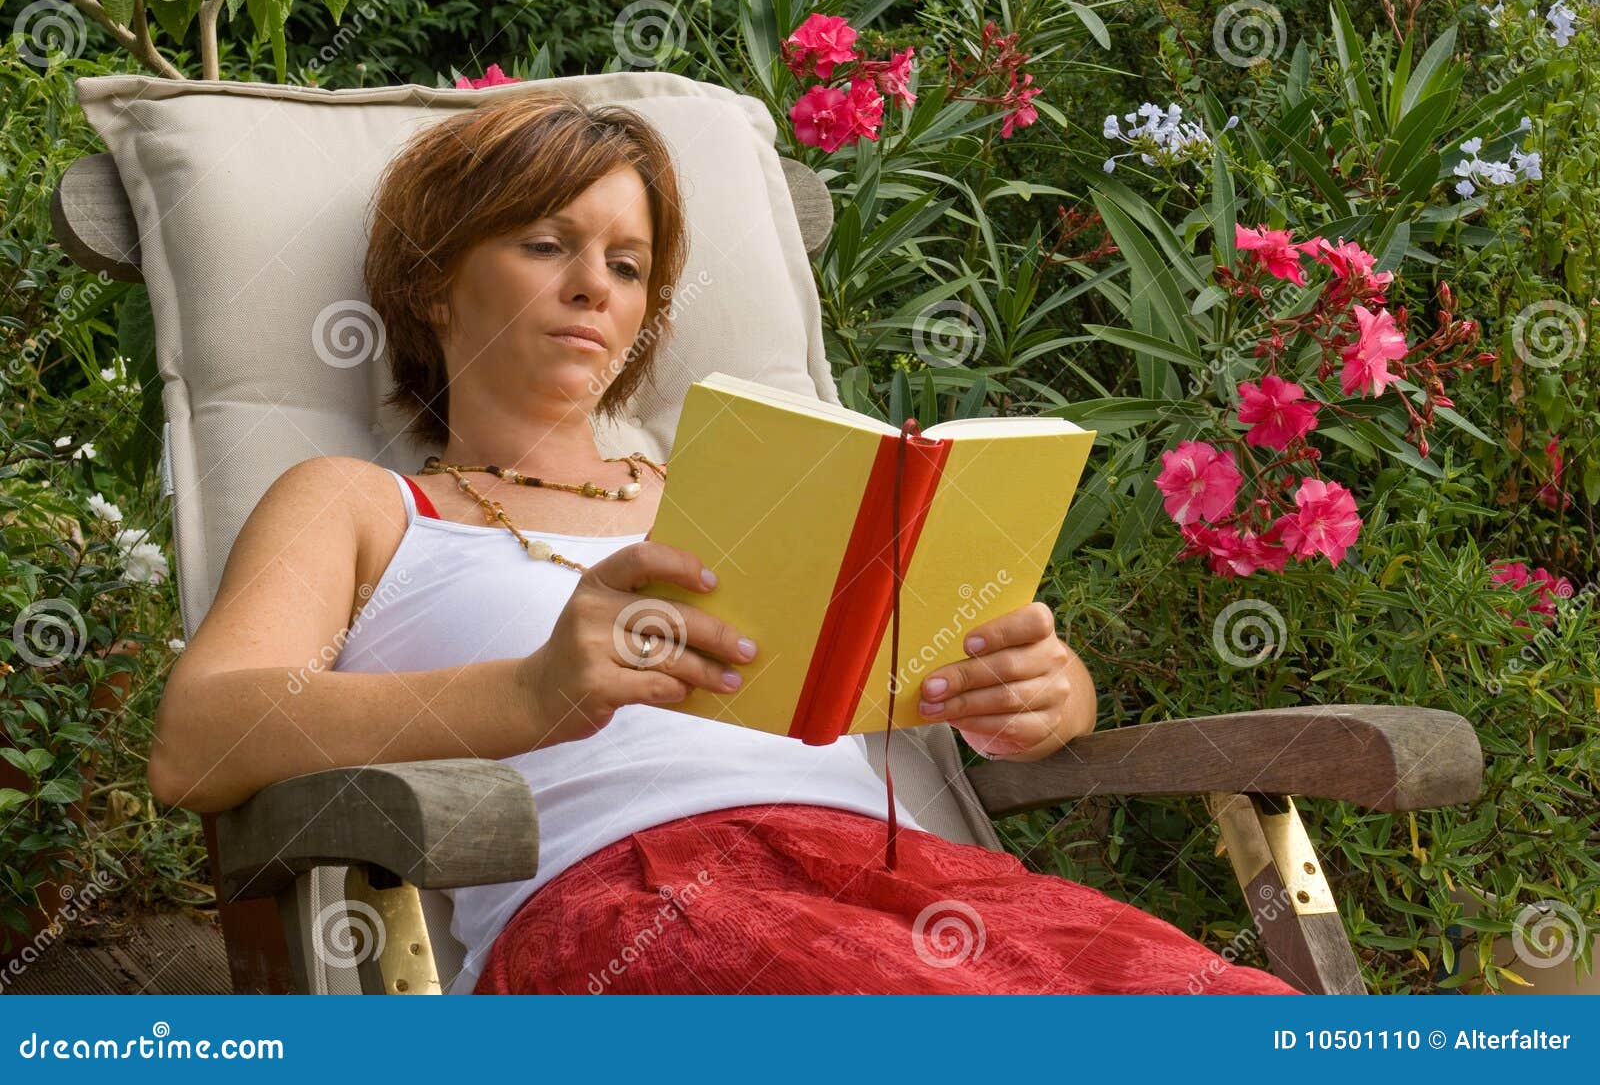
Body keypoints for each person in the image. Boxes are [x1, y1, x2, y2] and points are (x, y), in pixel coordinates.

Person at [149, 90, 1294, 995]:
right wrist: (532, 691)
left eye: (629, 264)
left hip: (917, 882)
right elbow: (198, 743)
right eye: (547, 242)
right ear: (431, 284)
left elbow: (946, 660)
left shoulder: (751, 488)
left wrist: (1048, 691)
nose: (594, 285)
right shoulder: (363, 503)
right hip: (636, 901)